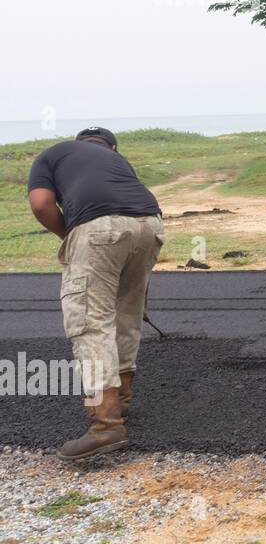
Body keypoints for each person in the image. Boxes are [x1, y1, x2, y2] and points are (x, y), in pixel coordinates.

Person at [26, 127, 166, 461]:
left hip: (99, 230)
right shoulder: (117, 160)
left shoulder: (52, 155)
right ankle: (122, 400)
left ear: (77, 146)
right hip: (151, 225)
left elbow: (42, 204)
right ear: (111, 146)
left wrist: (70, 235)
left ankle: (105, 424)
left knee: (90, 321)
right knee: (127, 312)